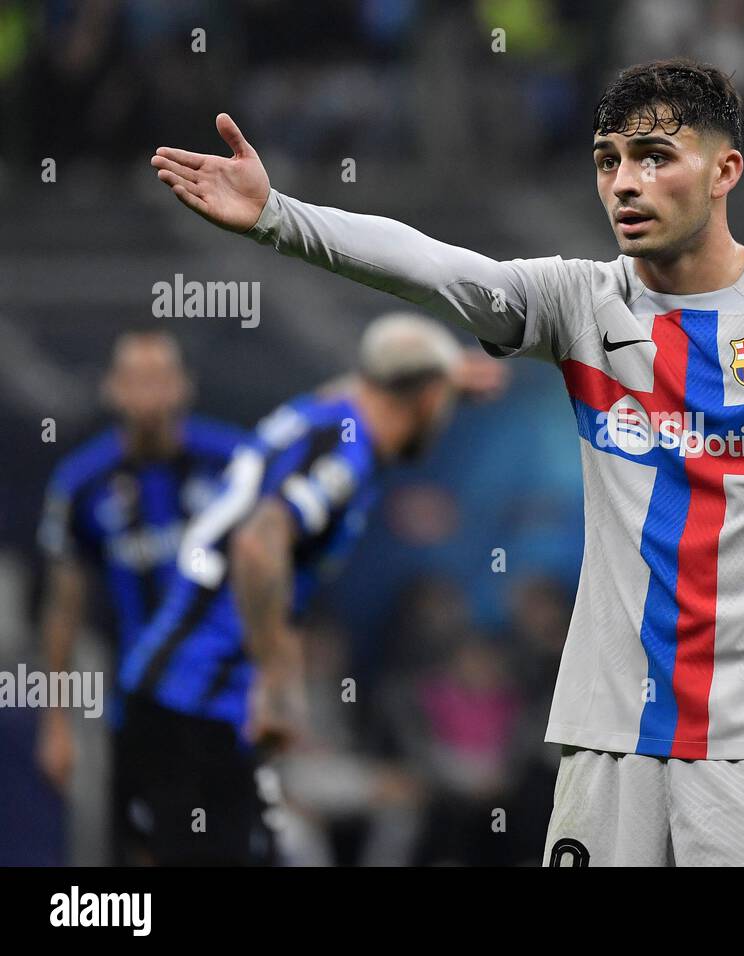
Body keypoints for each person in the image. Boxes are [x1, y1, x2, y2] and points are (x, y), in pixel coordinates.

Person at [149, 58, 744, 867]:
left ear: (725, 170)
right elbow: (435, 268)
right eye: (608, 159)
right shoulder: (581, 303)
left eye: (655, 157)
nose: (624, 182)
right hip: (609, 734)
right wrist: (278, 215)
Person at [112, 313, 497, 864]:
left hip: (176, 694)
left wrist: (445, 373)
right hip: (194, 700)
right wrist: (278, 675)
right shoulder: (349, 456)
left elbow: (371, 378)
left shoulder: (327, 414)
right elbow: (259, 541)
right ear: (428, 400)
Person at [36, 329, 243, 863]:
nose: (148, 394)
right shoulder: (82, 482)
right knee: (139, 852)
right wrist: (55, 722)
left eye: (160, 380)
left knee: (232, 846)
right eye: (135, 380)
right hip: (136, 708)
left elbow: (278, 579)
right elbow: (64, 609)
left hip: (225, 700)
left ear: (183, 388)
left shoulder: (233, 464)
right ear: (113, 390)